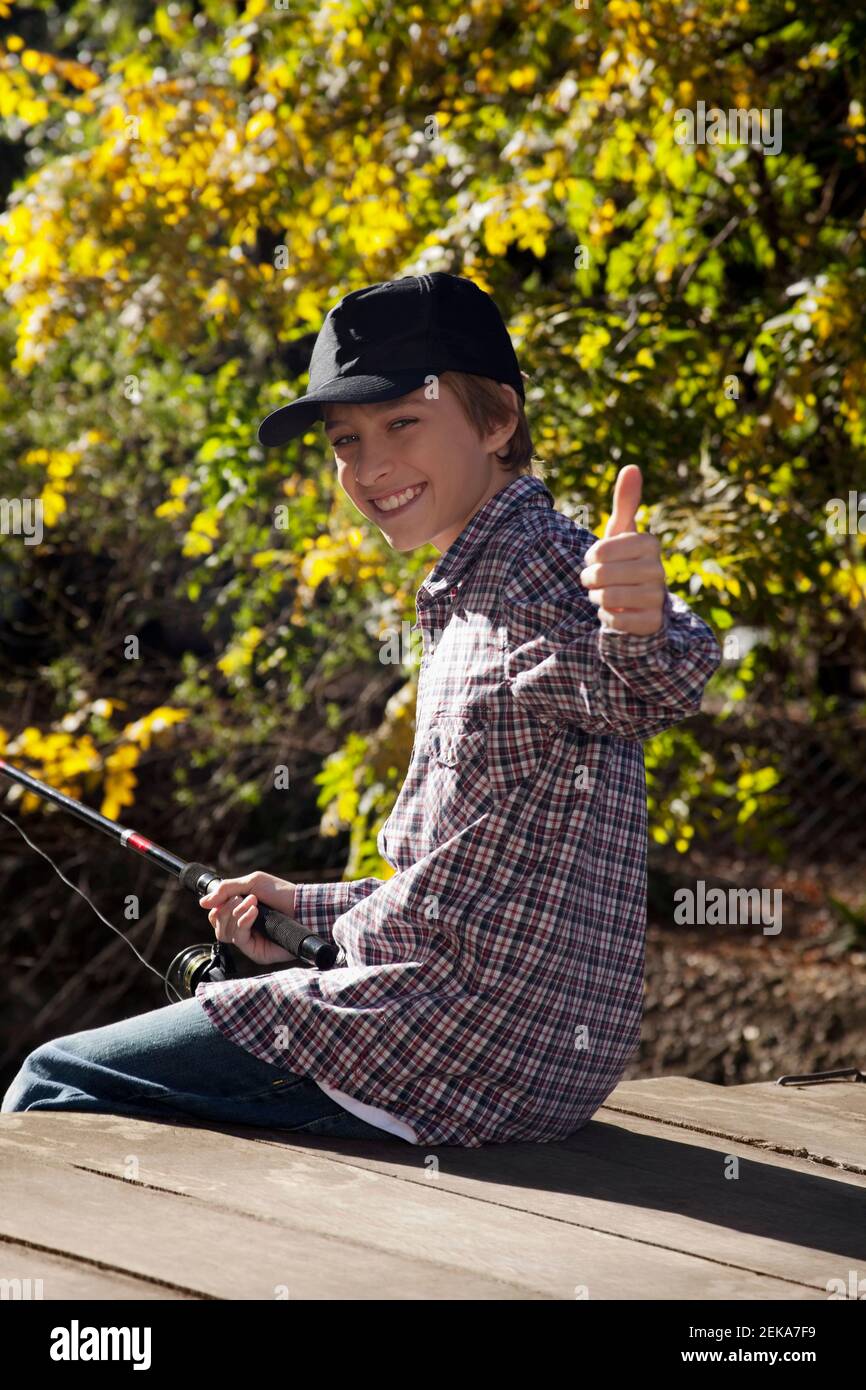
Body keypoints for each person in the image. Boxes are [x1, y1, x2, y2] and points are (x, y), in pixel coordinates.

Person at [3, 272, 722, 1148]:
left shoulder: (538, 570)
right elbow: (464, 879)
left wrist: (643, 621)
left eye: (402, 423)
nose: (369, 465)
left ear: (498, 419)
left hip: (451, 1045)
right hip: (498, 1044)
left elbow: (649, 684)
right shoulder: (468, 587)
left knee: (56, 1083)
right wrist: (304, 911)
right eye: (346, 438)